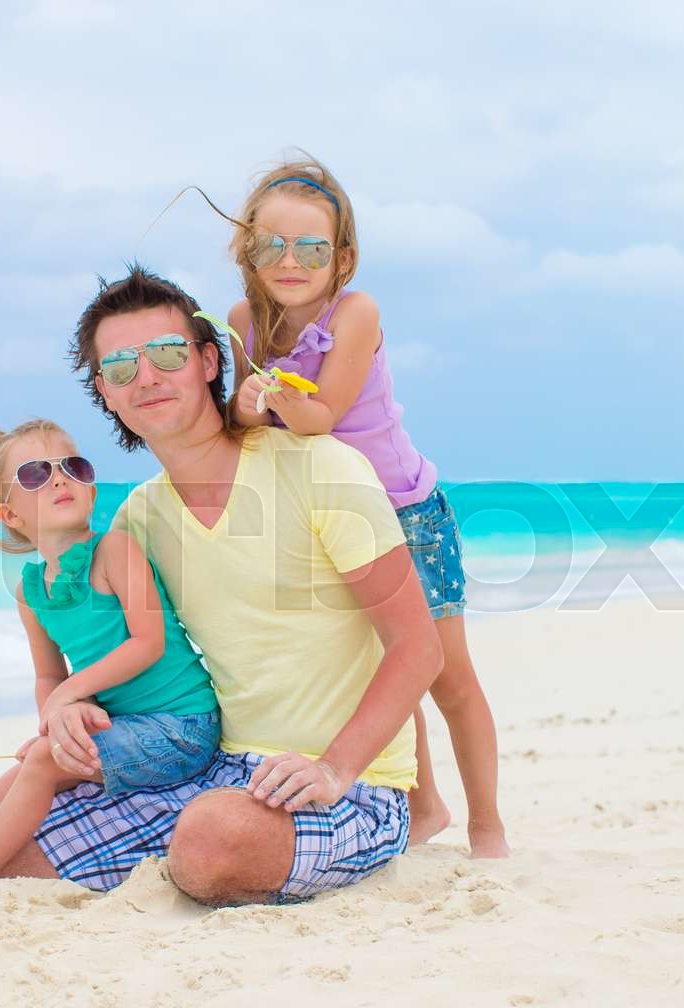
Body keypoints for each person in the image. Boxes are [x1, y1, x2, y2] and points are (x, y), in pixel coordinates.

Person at [0, 266, 443, 905]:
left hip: (351, 783)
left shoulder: (323, 469)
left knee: (212, 839)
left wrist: (335, 767)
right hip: (211, 768)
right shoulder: (140, 520)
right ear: (106, 391)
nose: (147, 376)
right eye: (122, 367)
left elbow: (417, 647)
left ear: (210, 361)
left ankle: (246, 841)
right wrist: (67, 711)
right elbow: (120, 662)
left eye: (167, 354)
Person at [223, 156, 510, 858]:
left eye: (312, 247)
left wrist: (280, 402)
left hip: (405, 516)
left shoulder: (357, 312)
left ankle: (487, 824)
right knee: (382, 675)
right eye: (272, 245)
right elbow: (238, 415)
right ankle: (426, 805)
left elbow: (322, 415)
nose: (291, 261)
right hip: (333, 522)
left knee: (447, 676)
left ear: (341, 257)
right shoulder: (241, 320)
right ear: (247, 250)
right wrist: (250, 404)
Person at [0, 418, 220, 892]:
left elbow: (149, 643)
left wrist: (68, 699)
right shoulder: (30, 593)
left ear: (91, 491)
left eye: (73, 466)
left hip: (182, 727)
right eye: (35, 475)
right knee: (10, 784)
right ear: (10, 516)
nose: (59, 477)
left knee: (41, 764)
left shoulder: (115, 551)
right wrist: (57, 720)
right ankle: (94, 844)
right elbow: (48, 676)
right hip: (121, 724)